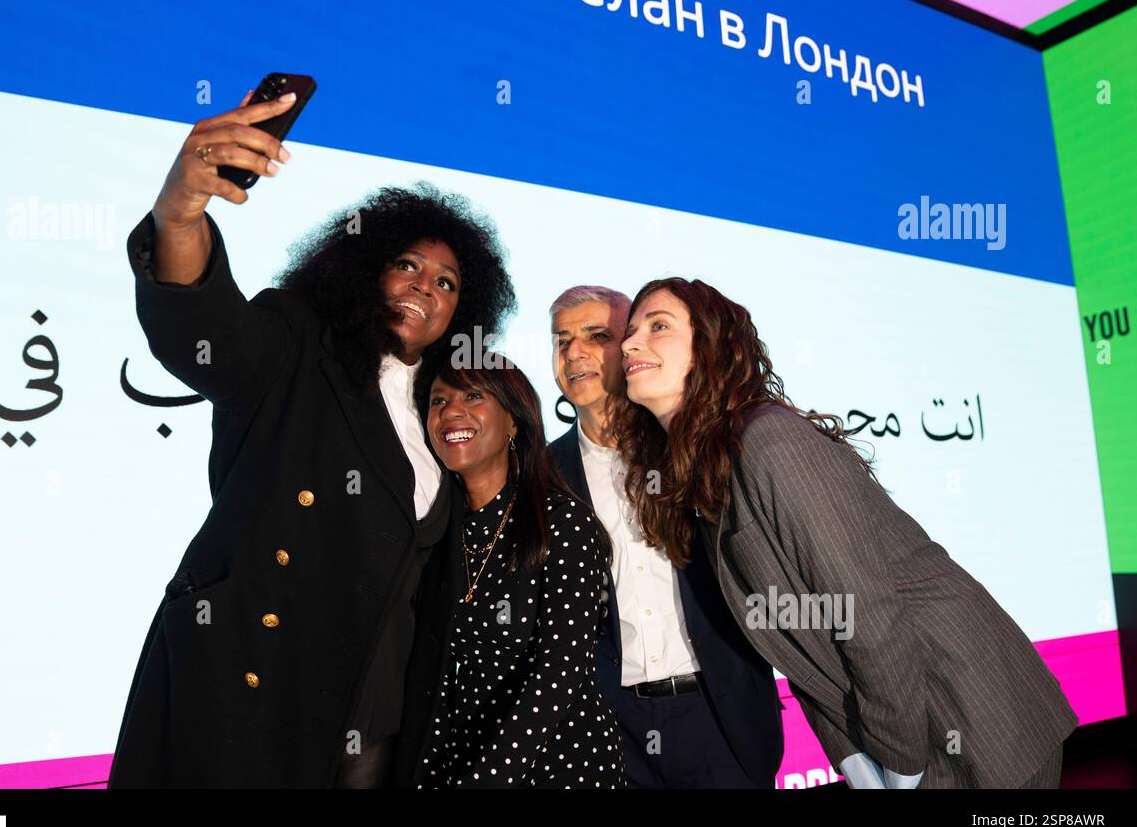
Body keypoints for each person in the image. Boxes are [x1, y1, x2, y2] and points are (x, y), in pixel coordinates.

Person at [107, 89, 516, 788]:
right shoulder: (298, 340)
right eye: (408, 265)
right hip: (248, 698)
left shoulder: (439, 408)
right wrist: (179, 213)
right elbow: (202, 334)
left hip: (371, 728)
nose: (426, 287)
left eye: (447, 282)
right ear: (365, 270)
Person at [610, 277, 1079, 789]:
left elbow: (866, 614)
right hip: (899, 727)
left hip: (970, 714)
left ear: (712, 346)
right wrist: (852, 759)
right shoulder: (703, 475)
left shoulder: (771, 442)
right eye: (631, 332)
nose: (631, 343)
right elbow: (793, 644)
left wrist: (900, 763)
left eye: (659, 327)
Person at [546, 286, 783, 788]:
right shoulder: (542, 474)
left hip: (719, 716)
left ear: (629, 348)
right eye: (562, 340)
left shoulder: (691, 445)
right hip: (612, 730)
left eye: (597, 336)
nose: (573, 353)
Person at [414, 354, 624, 787]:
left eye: (473, 395)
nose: (451, 411)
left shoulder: (564, 524)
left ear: (515, 421)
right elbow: (435, 683)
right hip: (465, 763)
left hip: (563, 767)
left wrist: (483, 779)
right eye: (438, 401)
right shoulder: (437, 537)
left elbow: (560, 671)